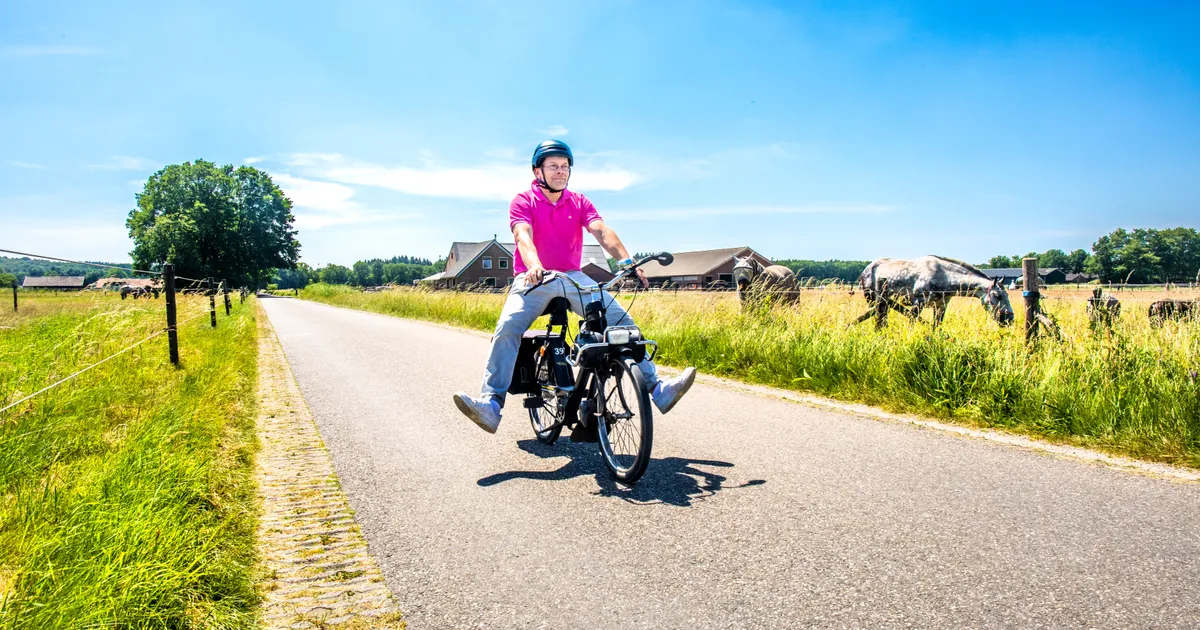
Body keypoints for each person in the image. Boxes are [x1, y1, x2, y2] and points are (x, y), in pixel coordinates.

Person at [453, 139, 697, 436]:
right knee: (508, 327)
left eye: (565, 167)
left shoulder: (579, 201)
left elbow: (601, 231)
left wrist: (627, 260)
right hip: (535, 277)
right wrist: (533, 265)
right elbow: (523, 237)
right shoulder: (523, 200)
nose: (561, 172)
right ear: (537, 170)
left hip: (572, 276)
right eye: (553, 166)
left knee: (621, 322)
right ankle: (490, 405)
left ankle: (658, 389)